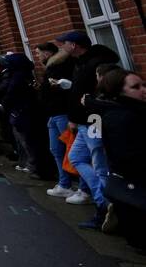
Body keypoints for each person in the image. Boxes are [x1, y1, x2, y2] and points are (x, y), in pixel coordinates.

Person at [57, 30, 120, 224]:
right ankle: (103, 198)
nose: (62, 47)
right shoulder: (81, 63)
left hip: (93, 119)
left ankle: (106, 205)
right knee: (76, 158)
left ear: (74, 45)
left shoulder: (96, 64)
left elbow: (98, 93)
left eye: (64, 43)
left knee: (100, 164)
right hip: (83, 120)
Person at [87, 69, 146, 244]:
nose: (144, 90)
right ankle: (102, 205)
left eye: (144, 84)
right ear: (117, 91)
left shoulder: (132, 111)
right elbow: (127, 157)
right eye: (136, 87)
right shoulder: (120, 116)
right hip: (134, 188)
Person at [36, 42, 78, 197]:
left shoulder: (61, 67)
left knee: (72, 150)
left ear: (47, 53)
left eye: (39, 53)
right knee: (56, 149)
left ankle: (81, 186)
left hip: (62, 113)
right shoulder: (52, 67)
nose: (38, 56)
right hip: (53, 114)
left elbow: (69, 91)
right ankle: (64, 183)